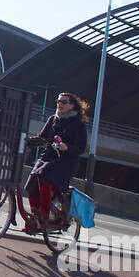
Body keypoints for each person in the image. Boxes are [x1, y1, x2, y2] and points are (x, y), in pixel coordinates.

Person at [21, 93, 88, 231]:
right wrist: (26, 140)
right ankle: (36, 219)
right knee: (31, 184)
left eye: (64, 101)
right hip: (48, 159)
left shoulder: (78, 124)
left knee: (44, 173)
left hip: (66, 162)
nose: (60, 104)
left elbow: (80, 147)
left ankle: (44, 212)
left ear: (72, 105)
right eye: (58, 101)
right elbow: (42, 138)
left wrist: (67, 147)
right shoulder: (53, 119)